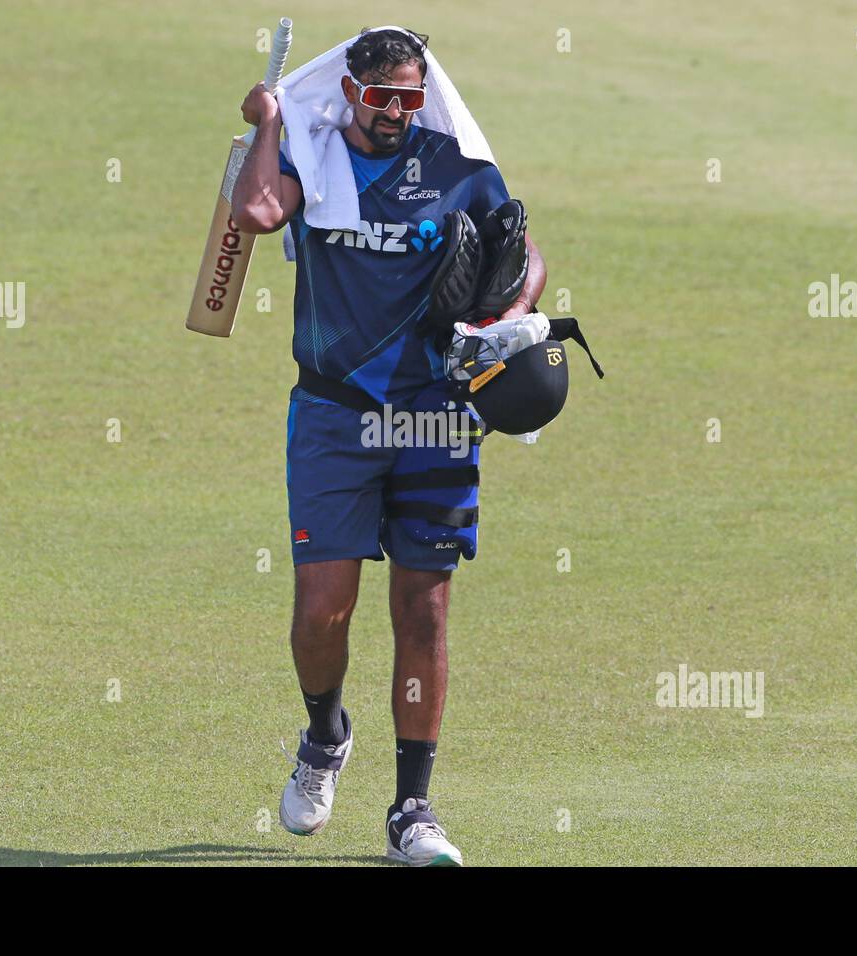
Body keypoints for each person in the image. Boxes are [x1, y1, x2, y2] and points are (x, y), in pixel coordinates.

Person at [231, 26, 546, 867]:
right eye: (381, 98)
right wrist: (267, 123)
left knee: (424, 610)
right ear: (349, 92)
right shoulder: (315, 158)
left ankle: (413, 808)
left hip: (435, 417)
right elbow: (258, 212)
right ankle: (326, 734)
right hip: (334, 418)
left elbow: (526, 256)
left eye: (411, 96)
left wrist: (504, 323)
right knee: (320, 615)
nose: (397, 113)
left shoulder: (459, 169)